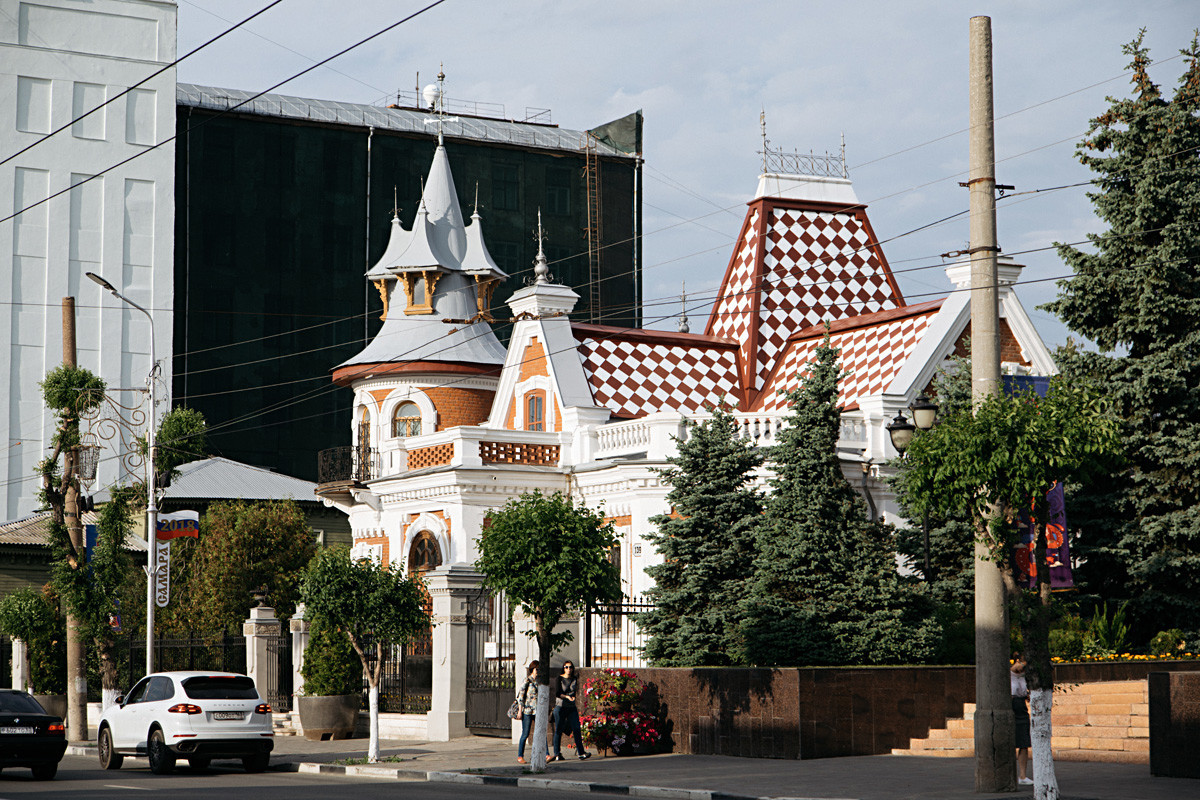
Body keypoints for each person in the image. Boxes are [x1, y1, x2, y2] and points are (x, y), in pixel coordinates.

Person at [549, 661, 590, 762]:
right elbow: (558, 693)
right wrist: (567, 697)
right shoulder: (559, 678)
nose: (568, 669)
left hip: (571, 707)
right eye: (566, 667)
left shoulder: (574, 679)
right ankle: (557, 753)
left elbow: (575, 691)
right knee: (559, 730)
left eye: (570, 667)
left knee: (576, 728)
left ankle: (581, 753)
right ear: (563, 668)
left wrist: (573, 697)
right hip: (560, 706)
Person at [1011, 653, 1033, 786]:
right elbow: (1016, 668)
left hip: (1021, 707)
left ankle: (1023, 775)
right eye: (1023, 665)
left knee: (1024, 742)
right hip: (1011, 706)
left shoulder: (1024, 676)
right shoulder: (1010, 674)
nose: (1023, 669)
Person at [515, 660, 539, 764]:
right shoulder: (527, 681)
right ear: (532, 670)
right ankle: (520, 756)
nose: (538, 671)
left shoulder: (539, 682)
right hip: (527, 711)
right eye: (537, 669)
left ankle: (546, 754)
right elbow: (520, 697)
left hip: (537, 711)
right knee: (525, 734)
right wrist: (520, 711)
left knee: (540, 733)